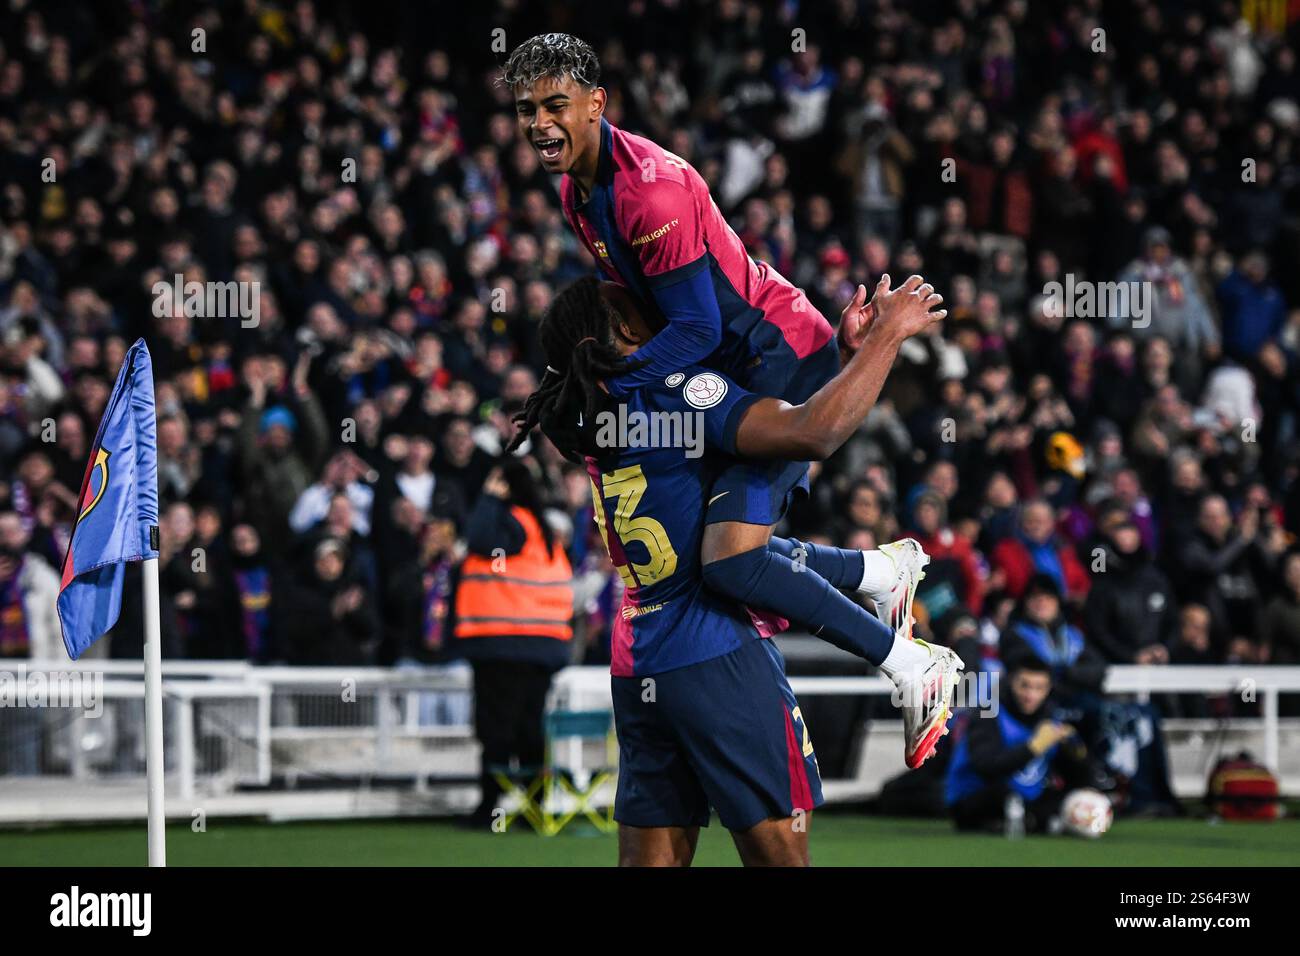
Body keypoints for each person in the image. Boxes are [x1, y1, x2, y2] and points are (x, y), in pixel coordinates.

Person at [504, 34, 933, 677]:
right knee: (705, 544)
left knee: (731, 559)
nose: (538, 123)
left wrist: (615, 386)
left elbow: (697, 328)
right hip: (715, 366)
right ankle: (879, 569)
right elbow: (641, 313)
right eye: (525, 109)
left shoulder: (649, 193)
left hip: (769, 353)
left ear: (596, 103)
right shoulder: (576, 192)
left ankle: (910, 664)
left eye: (554, 105)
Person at [509, 271, 960, 866]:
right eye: (638, 302)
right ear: (622, 324)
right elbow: (811, 433)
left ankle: (876, 574)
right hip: (715, 651)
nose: (663, 307)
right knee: (780, 862)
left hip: (639, 648)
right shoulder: (678, 389)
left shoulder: (590, 412)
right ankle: (901, 643)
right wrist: (885, 341)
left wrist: (838, 359)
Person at [452, 456, 575, 828]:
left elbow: (480, 541)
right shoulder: (541, 529)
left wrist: (489, 499)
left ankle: (490, 809)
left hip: (504, 643)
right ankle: (535, 807)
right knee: (527, 728)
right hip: (541, 644)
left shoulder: (509, 522)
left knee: (496, 729)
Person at [944, 655, 1092, 833]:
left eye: (1039, 688)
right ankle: (1033, 820)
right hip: (976, 797)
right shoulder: (987, 713)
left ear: (1049, 689)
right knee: (1001, 794)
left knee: (1080, 791)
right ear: (1011, 682)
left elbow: (1077, 775)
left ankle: (1033, 819)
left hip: (1026, 797)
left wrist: (1076, 752)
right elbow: (986, 767)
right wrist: (1034, 747)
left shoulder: (1050, 718)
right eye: (1025, 686)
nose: (1031, 695)